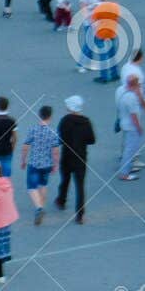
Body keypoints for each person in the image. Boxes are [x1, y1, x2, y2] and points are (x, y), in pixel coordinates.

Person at [55, 95, 95, 223]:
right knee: (80, 185)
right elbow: (91, 140)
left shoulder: (65, 121)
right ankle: (80, 214)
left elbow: (60, 138)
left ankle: (61, 200)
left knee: (65, 179)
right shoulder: (86, 122)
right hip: (81, 157)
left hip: (67, 155)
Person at [19, 105, 60, 225]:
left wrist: (23, 160)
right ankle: (41, 206)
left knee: (32, 187)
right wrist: (56, 164)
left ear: (39, 115)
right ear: (50, 116)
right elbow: (56, 151)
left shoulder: (33, 129)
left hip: (34, 163)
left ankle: (39, 208)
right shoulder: (54, 132)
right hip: (47, 164)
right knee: (43, 184)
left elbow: (25, 147)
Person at [117, 74, 145, 181]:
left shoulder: (123, 92)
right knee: (130, 150)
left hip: (124, 123)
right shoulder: (132, 98)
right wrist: (139, 128)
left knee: (127, 148)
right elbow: (134, 116)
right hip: (131, 127)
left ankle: (126, 168)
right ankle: (125, 173)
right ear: (135, 84)